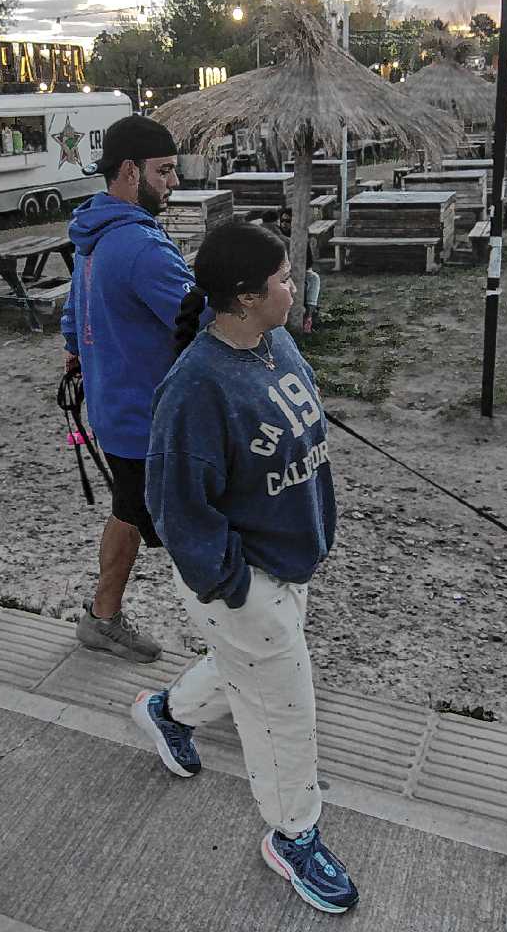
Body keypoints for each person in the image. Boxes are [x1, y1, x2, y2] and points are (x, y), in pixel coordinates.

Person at [130, 219, 358, 916]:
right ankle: (293, 836)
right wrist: (233, 584)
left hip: (291, 561)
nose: (297, 286)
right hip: (241, 581)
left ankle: (167, 712)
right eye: (285, 279)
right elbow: (173, 505)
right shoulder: (194, 388)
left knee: (250, 676)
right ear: (244, 297)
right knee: (286, 712)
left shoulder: (275, 342)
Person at [59, 114, 190, 663]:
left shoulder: (93, 232)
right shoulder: (140, 246)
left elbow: (71, 321)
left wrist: (89, 356)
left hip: (115, 413)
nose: (174, 183)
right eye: (166, 171)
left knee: (129, 513)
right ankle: (246, 654)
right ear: (131, 172)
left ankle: (102, 618)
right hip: (150, 421)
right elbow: (205, 321)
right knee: (201, 533)